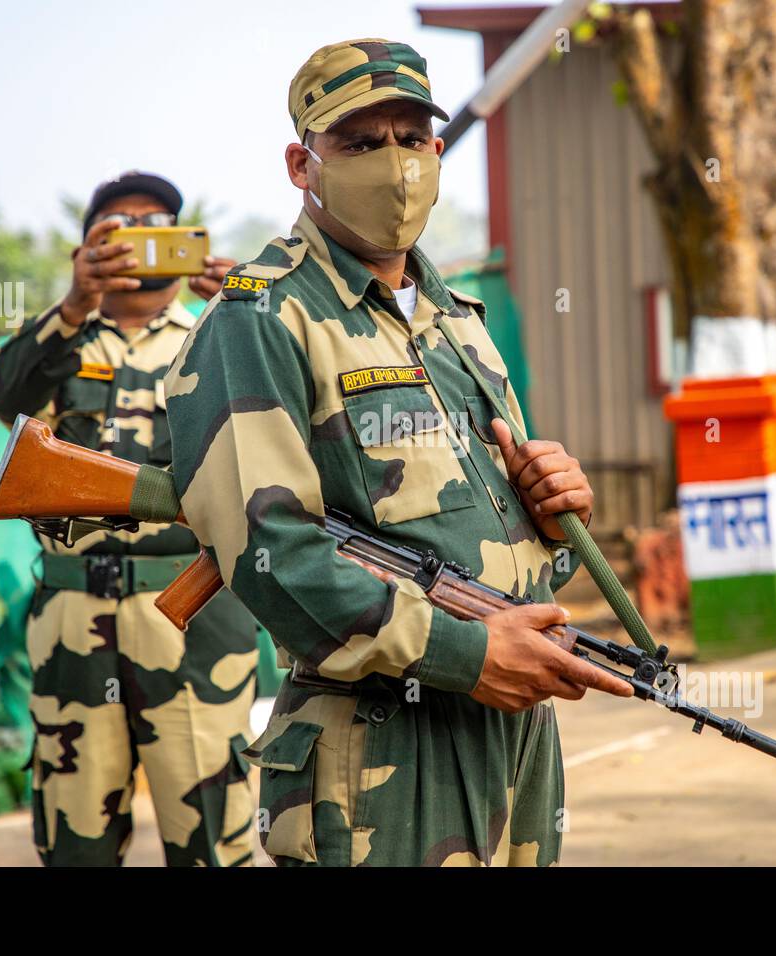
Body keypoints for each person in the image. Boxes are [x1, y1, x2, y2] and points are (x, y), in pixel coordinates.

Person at [162, 40, 632, 867]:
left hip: (511, 732)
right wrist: (467, 654)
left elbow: (492, 546)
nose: (396, 165)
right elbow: (271, 553)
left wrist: (557, 527)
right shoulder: (263, 317)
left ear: (439, 152)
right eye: (360, 143)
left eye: (412, 138)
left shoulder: (460, 323)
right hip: (378, 751)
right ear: (302, 165)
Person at [0, 171, 260, 867]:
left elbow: (284, 426)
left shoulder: (223, 331)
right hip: (72, 610)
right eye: (116, 229)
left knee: (214, 837)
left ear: (181, 243)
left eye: (155, 225)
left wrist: (249, 310)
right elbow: (1, 393)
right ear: (85, 252)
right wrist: (75, 305)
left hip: (193, 609)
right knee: (76, 838)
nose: (137, 241)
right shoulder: (54, 342)